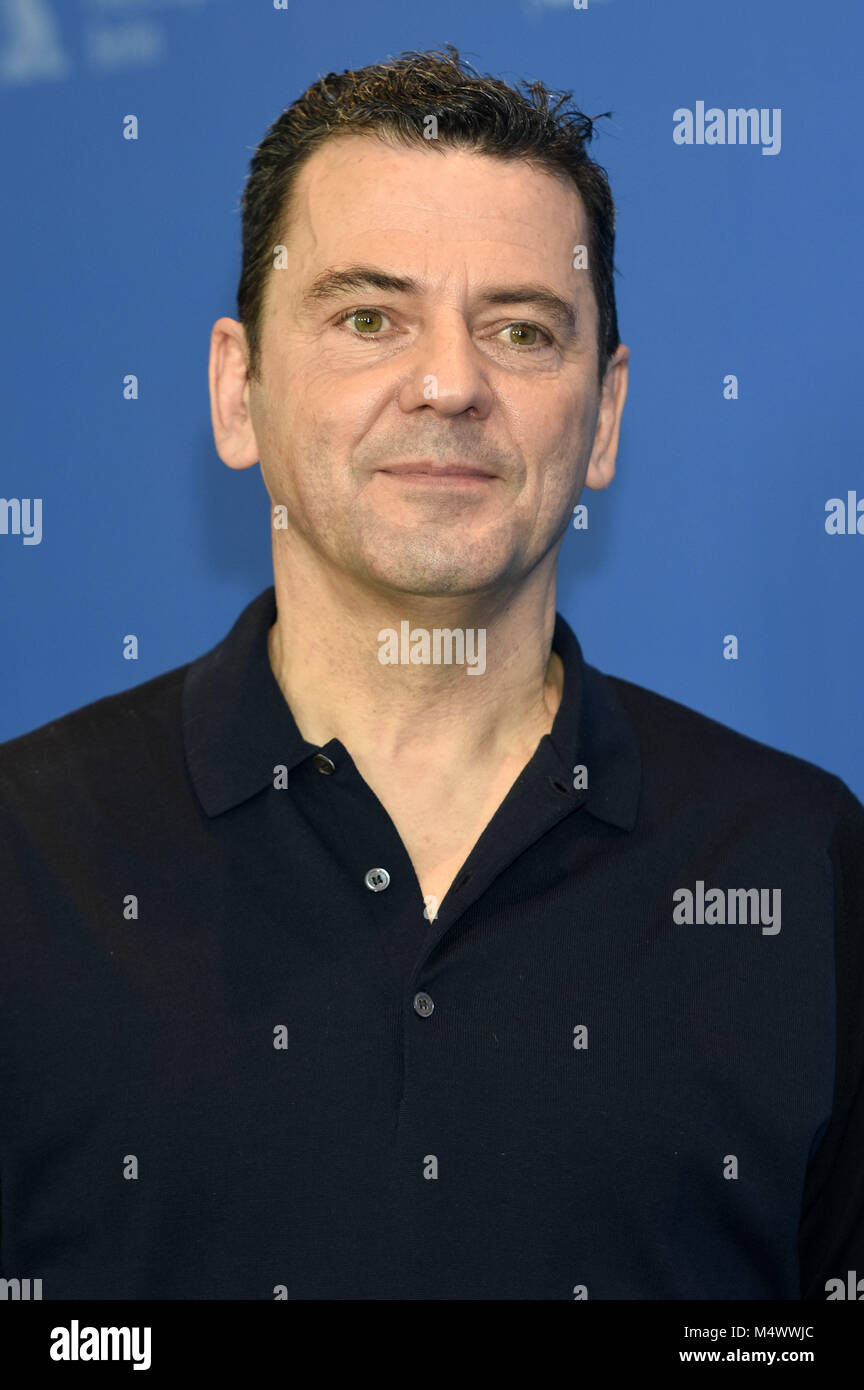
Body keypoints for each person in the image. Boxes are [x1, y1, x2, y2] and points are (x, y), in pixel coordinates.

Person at [1, 46, 861, 1302]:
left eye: (520, 329)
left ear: (605, 417)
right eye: (367, 318)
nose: (450, 383)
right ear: (237, 391)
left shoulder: (801, 866)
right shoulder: (27, 854)